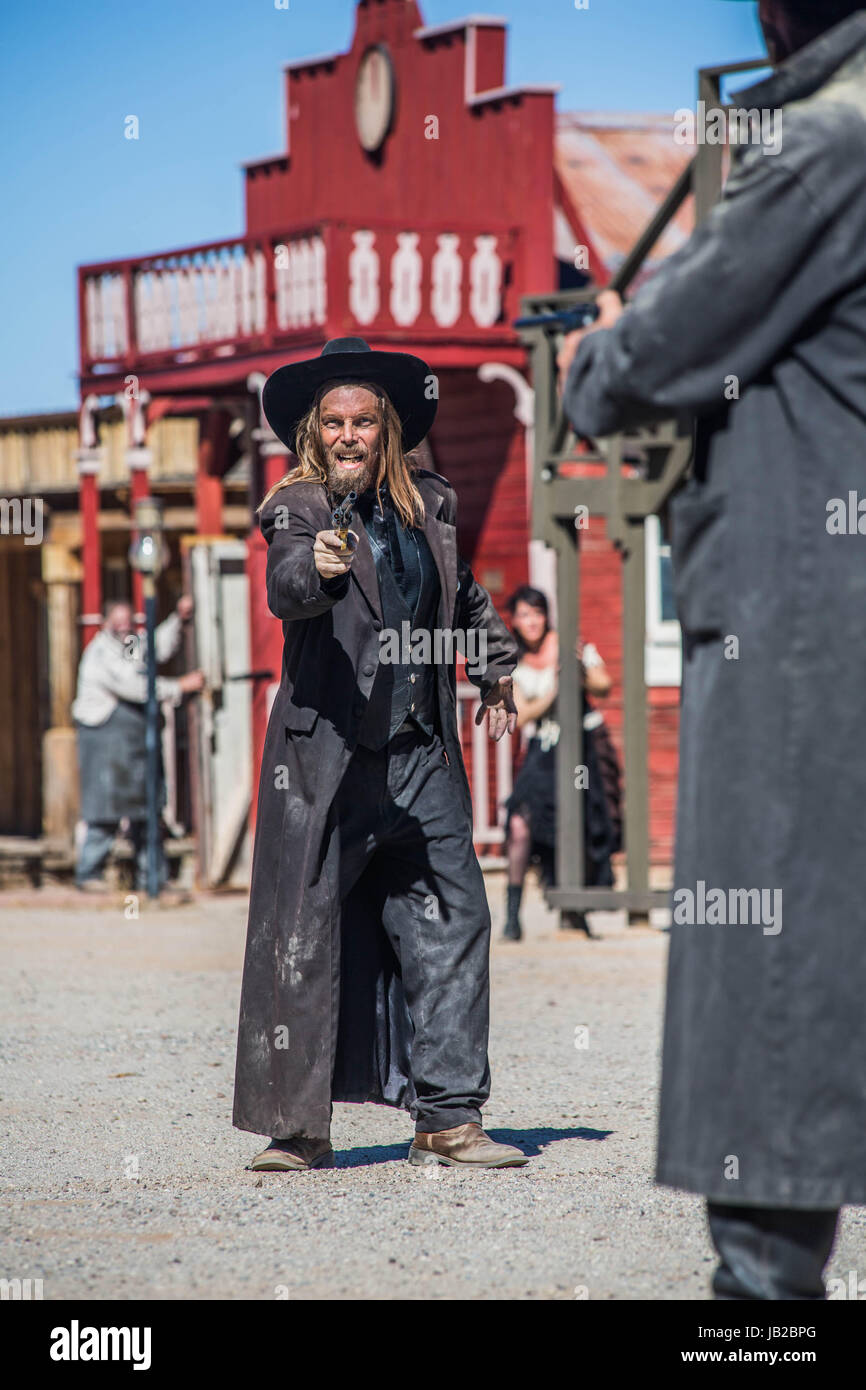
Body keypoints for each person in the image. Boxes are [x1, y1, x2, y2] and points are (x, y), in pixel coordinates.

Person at [558, 0, 866, 1299]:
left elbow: (645, 351)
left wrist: (591, 351)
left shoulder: (827, 139)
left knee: (776, 972)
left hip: (806, 614)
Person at [233, 336, 529, 1172]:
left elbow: (463, 594)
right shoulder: (298, 508)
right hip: (325, 760)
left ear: (388, 429)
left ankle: (448, 1117)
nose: (349, 435)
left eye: (364, 421)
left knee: (452, 920)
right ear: (313, 433)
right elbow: (288, 582)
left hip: (418, 752)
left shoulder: (429, 504)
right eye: (334, 422)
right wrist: (322, 573)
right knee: (305, 934)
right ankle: (298, 1131)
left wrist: (497, 667)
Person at [501, 586, 618, 941]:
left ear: (546, 615)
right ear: (515, 621)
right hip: (545, 746)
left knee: (581, 820)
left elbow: (604, 685)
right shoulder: (513, 658)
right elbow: (521, 716)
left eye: (536, 613)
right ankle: (511, 914)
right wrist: (555, 688)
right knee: (521, 822)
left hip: (583, 745)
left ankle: (576, 911)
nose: (531, 621)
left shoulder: (569, 643)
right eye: (523, 614)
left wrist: (578, 668)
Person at [71, 597, 204, 893]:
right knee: (104, 810)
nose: (123, 627)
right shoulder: (101, 653)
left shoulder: (127, 645)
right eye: (117, 622)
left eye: (127, 622)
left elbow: (153, 646)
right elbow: (135, 687)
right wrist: (180, 686)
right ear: (106, 622)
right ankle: (89, 873)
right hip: (105, 741)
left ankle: (152, 878)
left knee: (147, 810)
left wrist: (177, 619)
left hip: (131, 743)